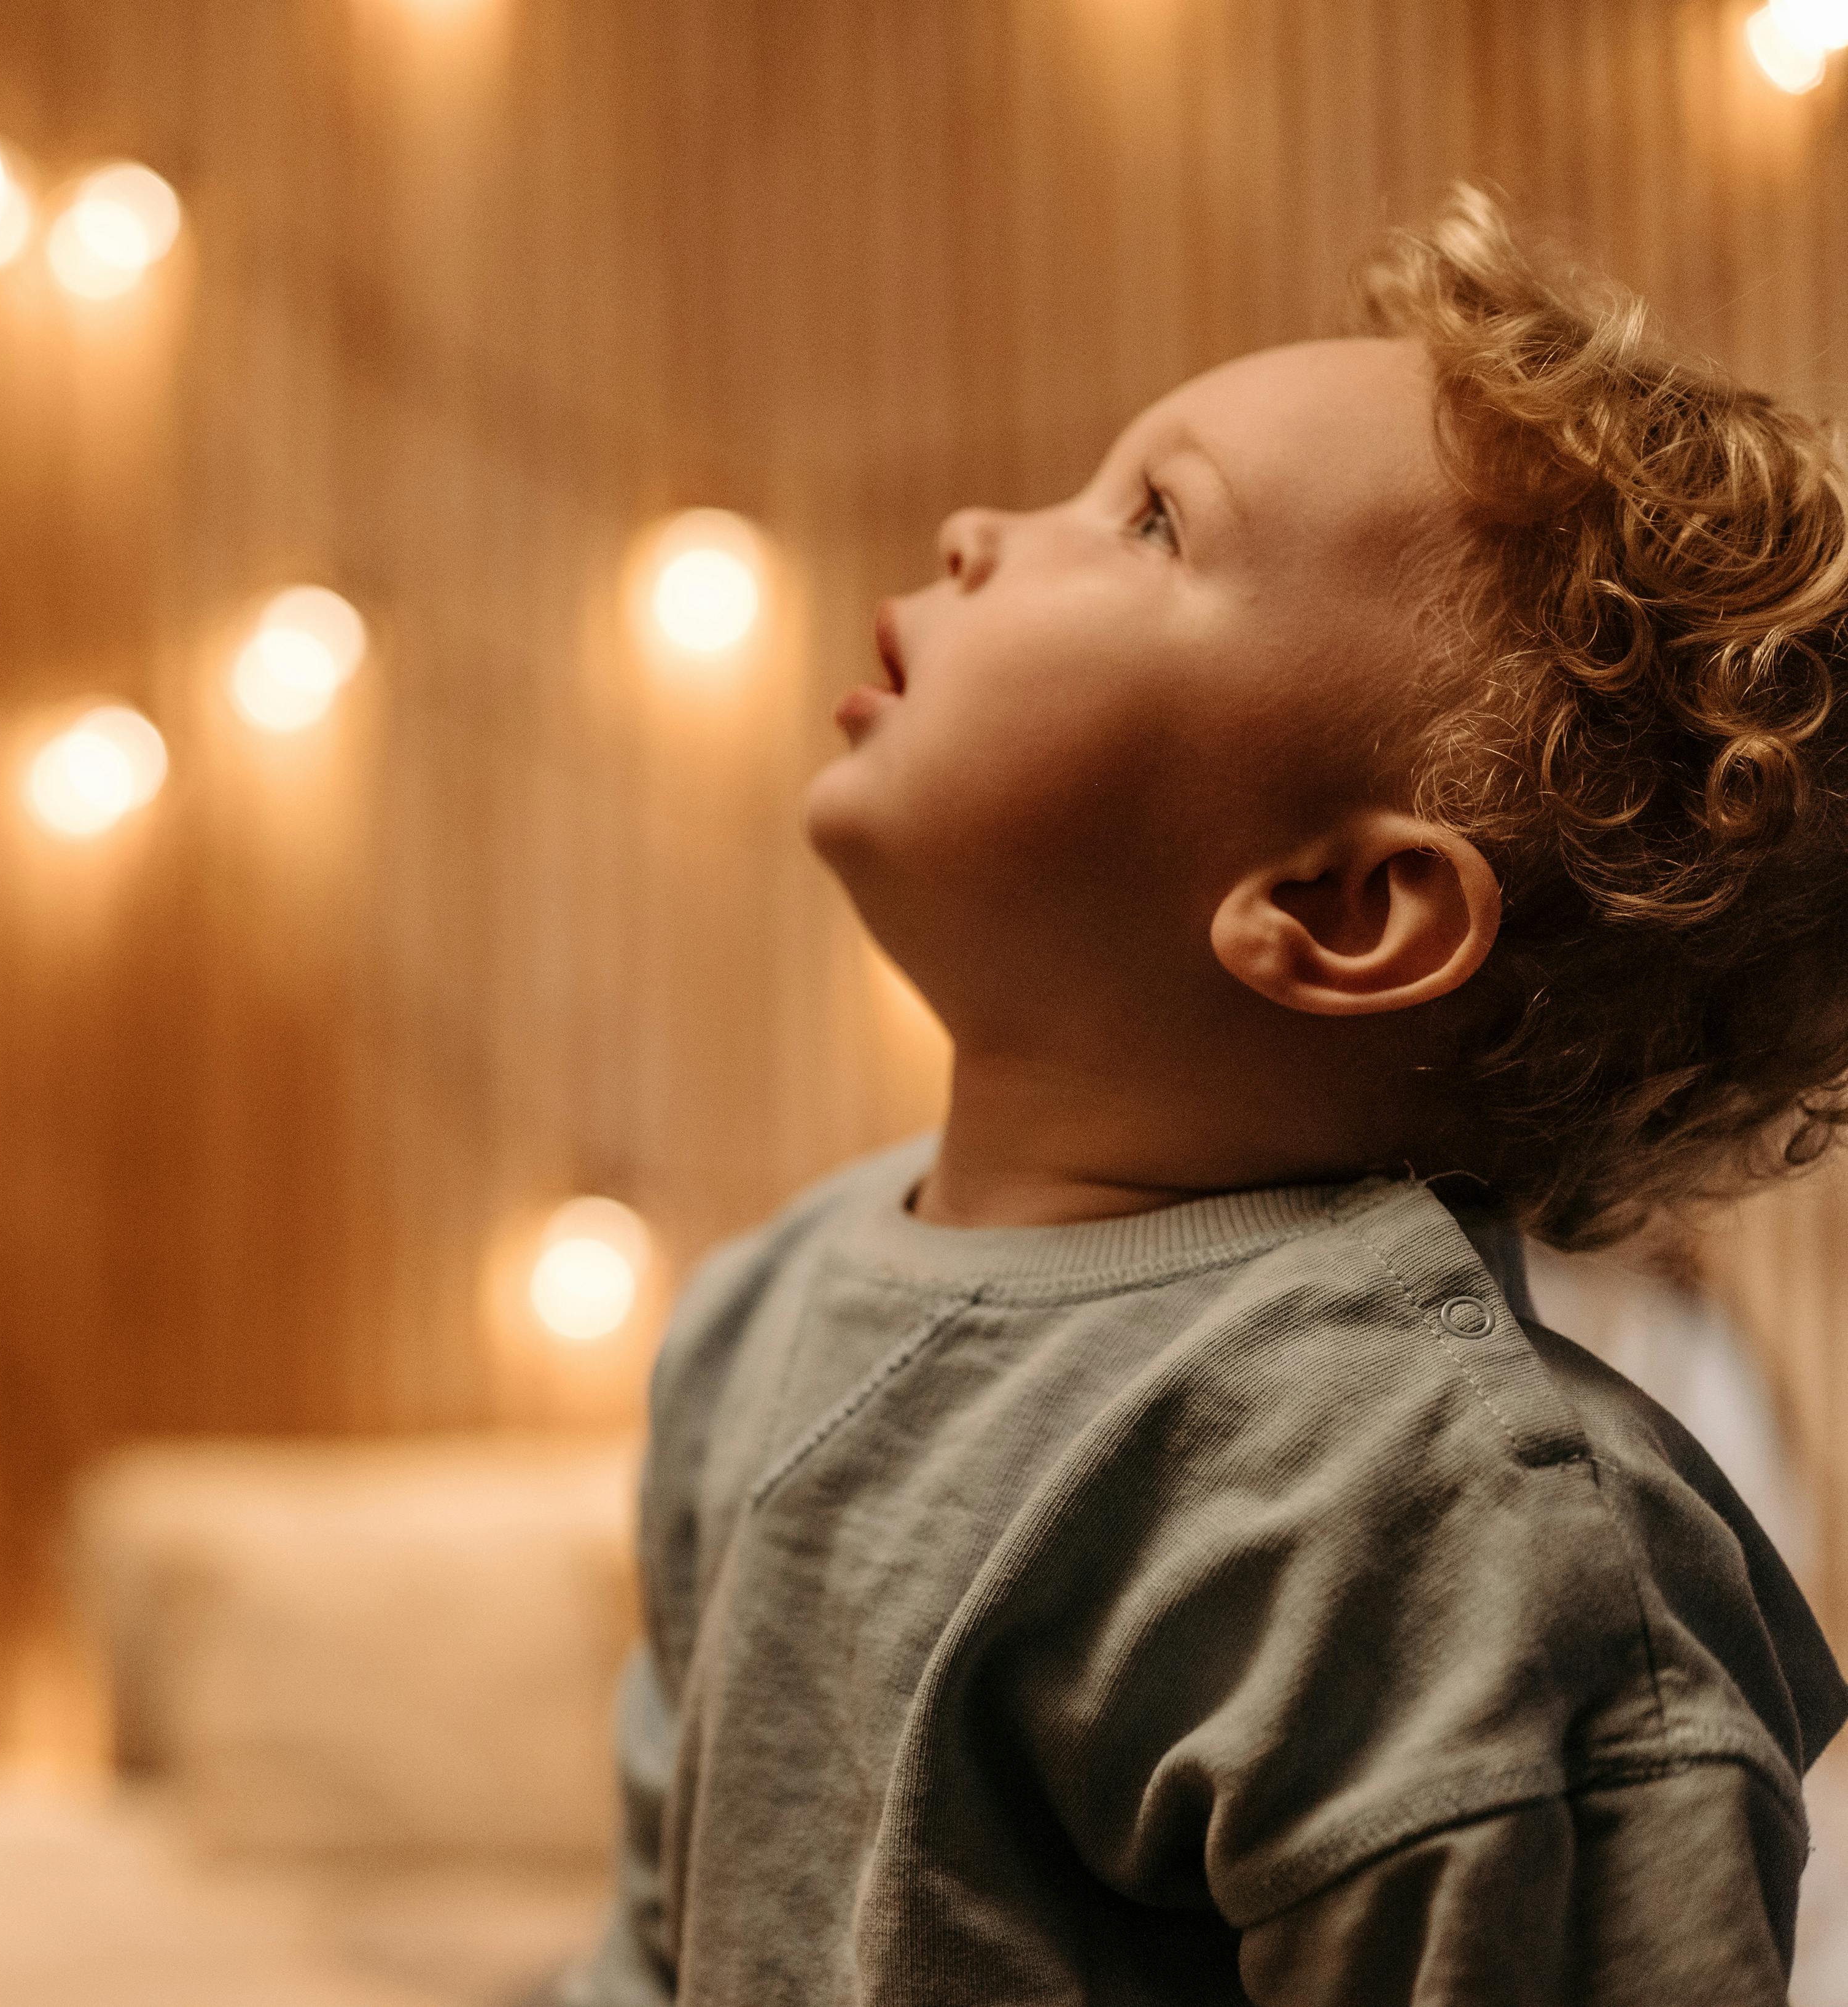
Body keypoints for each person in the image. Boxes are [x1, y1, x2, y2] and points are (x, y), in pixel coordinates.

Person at [566, 189, 1848, 2005]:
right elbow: (656, 1949)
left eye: (1152, 518)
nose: (977, 526)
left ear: (1337, 908)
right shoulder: (766, 1305)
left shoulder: (1455, 1539)